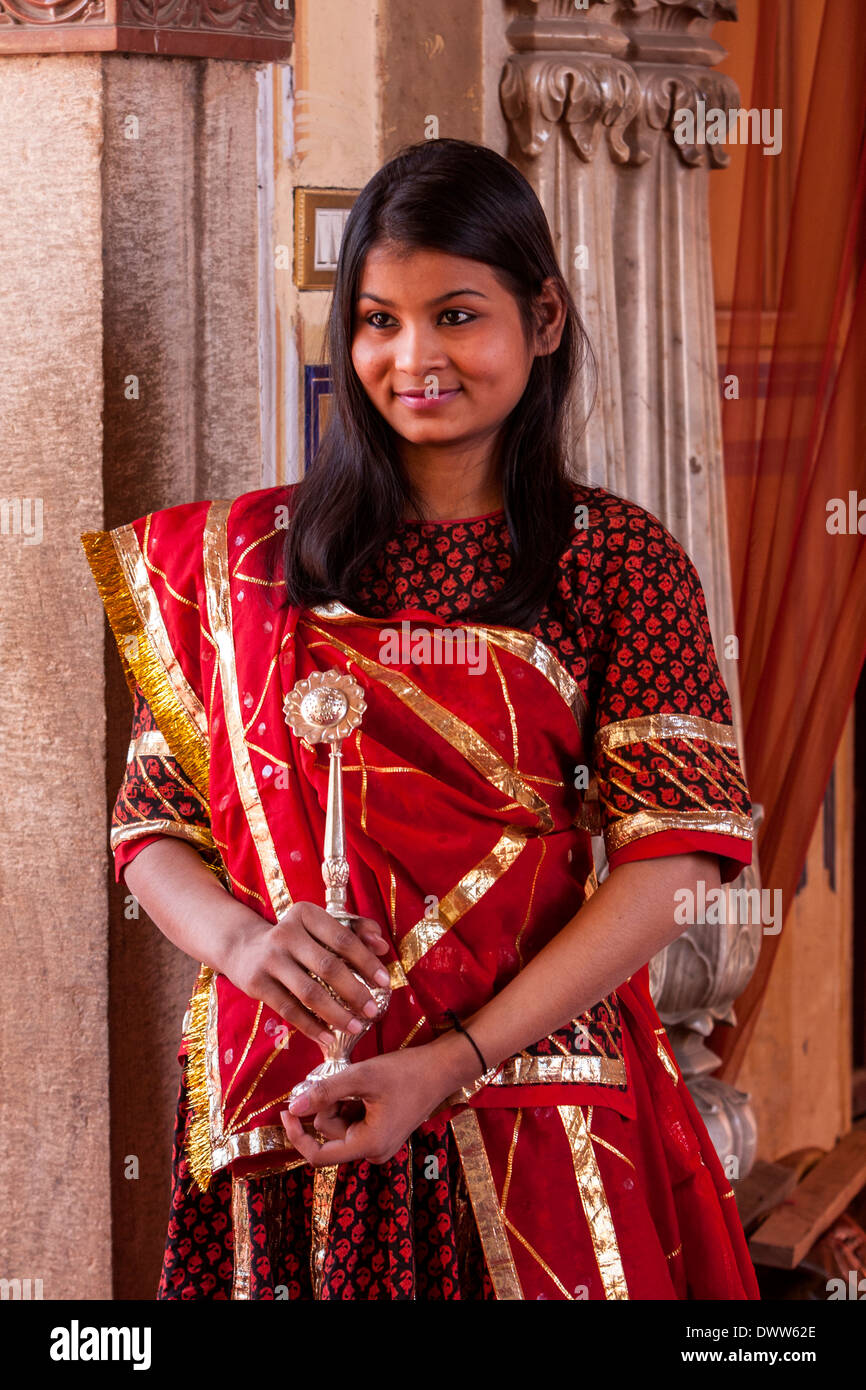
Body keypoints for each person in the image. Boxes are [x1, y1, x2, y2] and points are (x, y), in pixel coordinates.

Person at [81, 137, 760, 1301]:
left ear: (541, 319)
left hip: (528, 1101)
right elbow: (152, 830)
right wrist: (245, 944)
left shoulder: (612, 560)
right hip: (291, 1106)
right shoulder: (249, 561)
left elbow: (679, 849)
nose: (414, 358)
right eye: (378, 320)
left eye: (456, 314)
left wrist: (447, 1062)